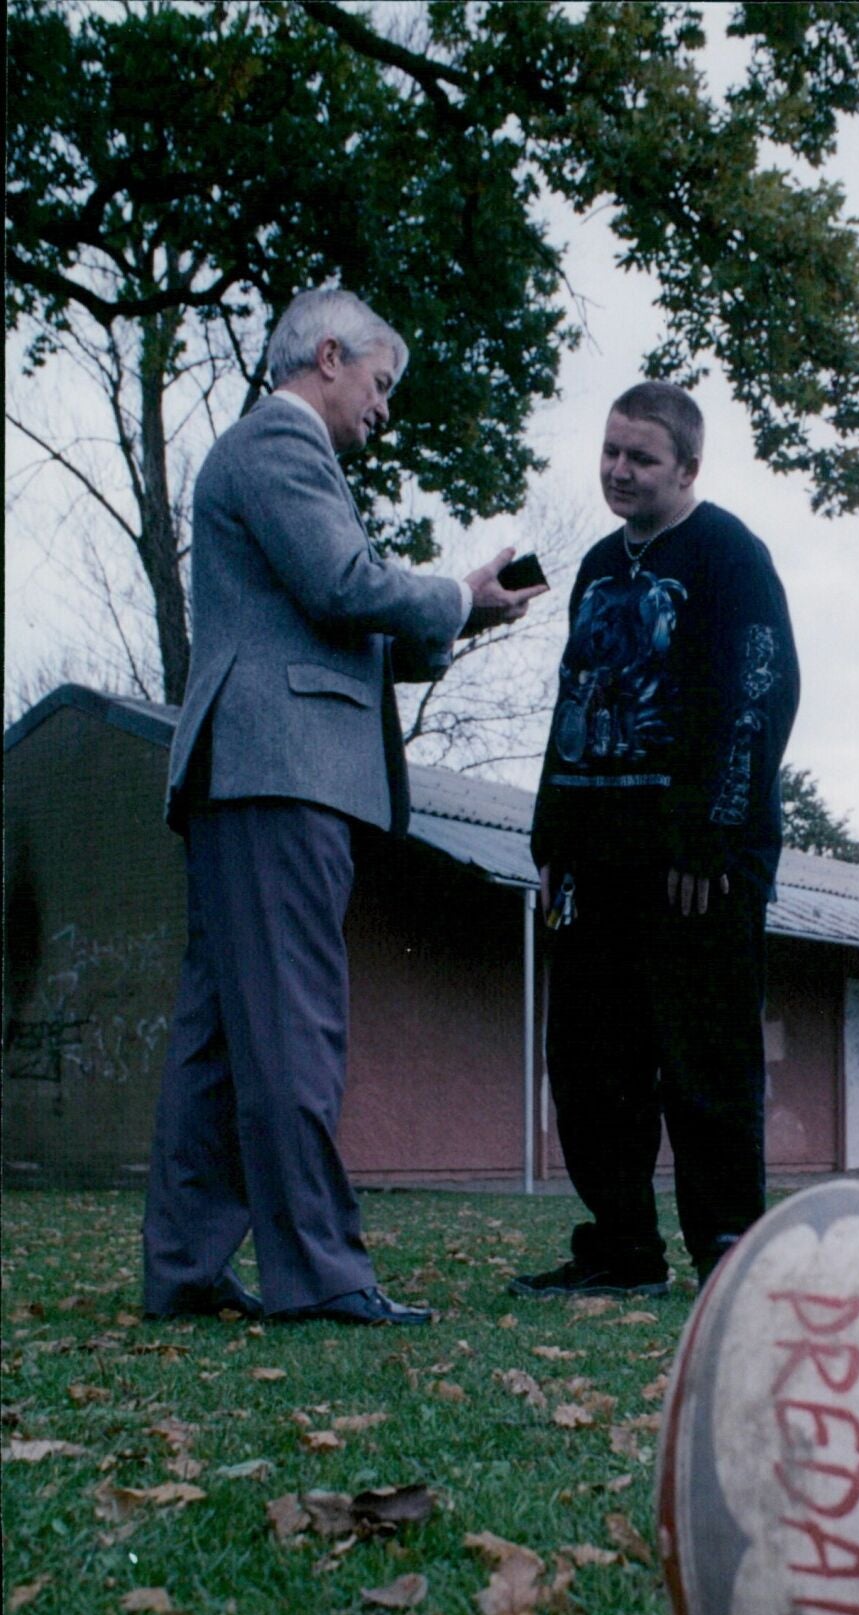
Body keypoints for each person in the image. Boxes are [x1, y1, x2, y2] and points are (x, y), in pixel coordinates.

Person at [143, 287, 544, 1326]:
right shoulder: (279, 446)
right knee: (293, 1030)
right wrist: (455, 593)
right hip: (280, 777)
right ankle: (320, 1275)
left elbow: (335, 613)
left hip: (252, 774)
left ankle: (185, 1267)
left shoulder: (267, 458)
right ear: (329, 354)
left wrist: (467, 614)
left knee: (222, 1041)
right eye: (379, 384)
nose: (384, 410)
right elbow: (343, 582)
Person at [513, 382, 799, 1298]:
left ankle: (729, 1256)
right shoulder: (597, 567)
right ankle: (622, 1253)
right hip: (598, 859)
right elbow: (570, 700)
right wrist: (550, 832)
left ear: (688, 467)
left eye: (640, 457)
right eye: (610, 452)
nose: (619, 470)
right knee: (592, 1065)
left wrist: (709, 838)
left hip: (697, 866)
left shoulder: (729, 555)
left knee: (704, 1061)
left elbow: (757, 698)